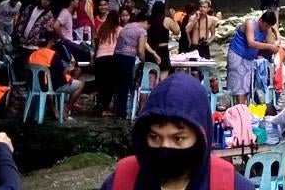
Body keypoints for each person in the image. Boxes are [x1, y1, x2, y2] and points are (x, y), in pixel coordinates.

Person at [98, 71, 255, 190]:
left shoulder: (229, 185)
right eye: (155, 137)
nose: (165, 147)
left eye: (178, 139)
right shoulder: (122, 182)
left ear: (202, 137)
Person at [226, 9, 280, 104]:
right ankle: (240, 110)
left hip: (249, 59)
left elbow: (274, 45)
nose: (267, 28)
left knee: (246, 87)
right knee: (239, 88)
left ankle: (242, 109)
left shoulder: (267, 30)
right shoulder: (250, 23)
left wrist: (277, 34)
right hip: (237, 54)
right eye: (266, 26)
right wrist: (269, 46)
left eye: (269, 26)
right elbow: (250, 43)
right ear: (261, 20)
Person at [113, 12, 159, 119]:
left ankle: (117, 108)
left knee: (119, 84)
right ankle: (122, 111)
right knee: (126, 84)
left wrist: (152, 52)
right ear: (146, 22)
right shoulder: (142, 31)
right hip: (128, 58)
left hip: (117, 55)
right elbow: (140, 50)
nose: (148, 28)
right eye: (148, 26)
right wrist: (143, 61)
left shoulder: (128, 26)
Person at [94, 10, 121, 116]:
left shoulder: (101, 27)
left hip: (100, 57)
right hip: (112, 58)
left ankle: (99, 104)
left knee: (101, 83)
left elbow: (96, 41)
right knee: (109, 85)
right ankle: (105, 108)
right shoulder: (119, 30)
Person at [147, 2, 180, 75]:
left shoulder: (149, 20)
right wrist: (173, 17)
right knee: (163, 74)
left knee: (151, 75)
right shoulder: (167, 20)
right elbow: (177, 31)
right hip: (163, 50)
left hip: (151, 50)